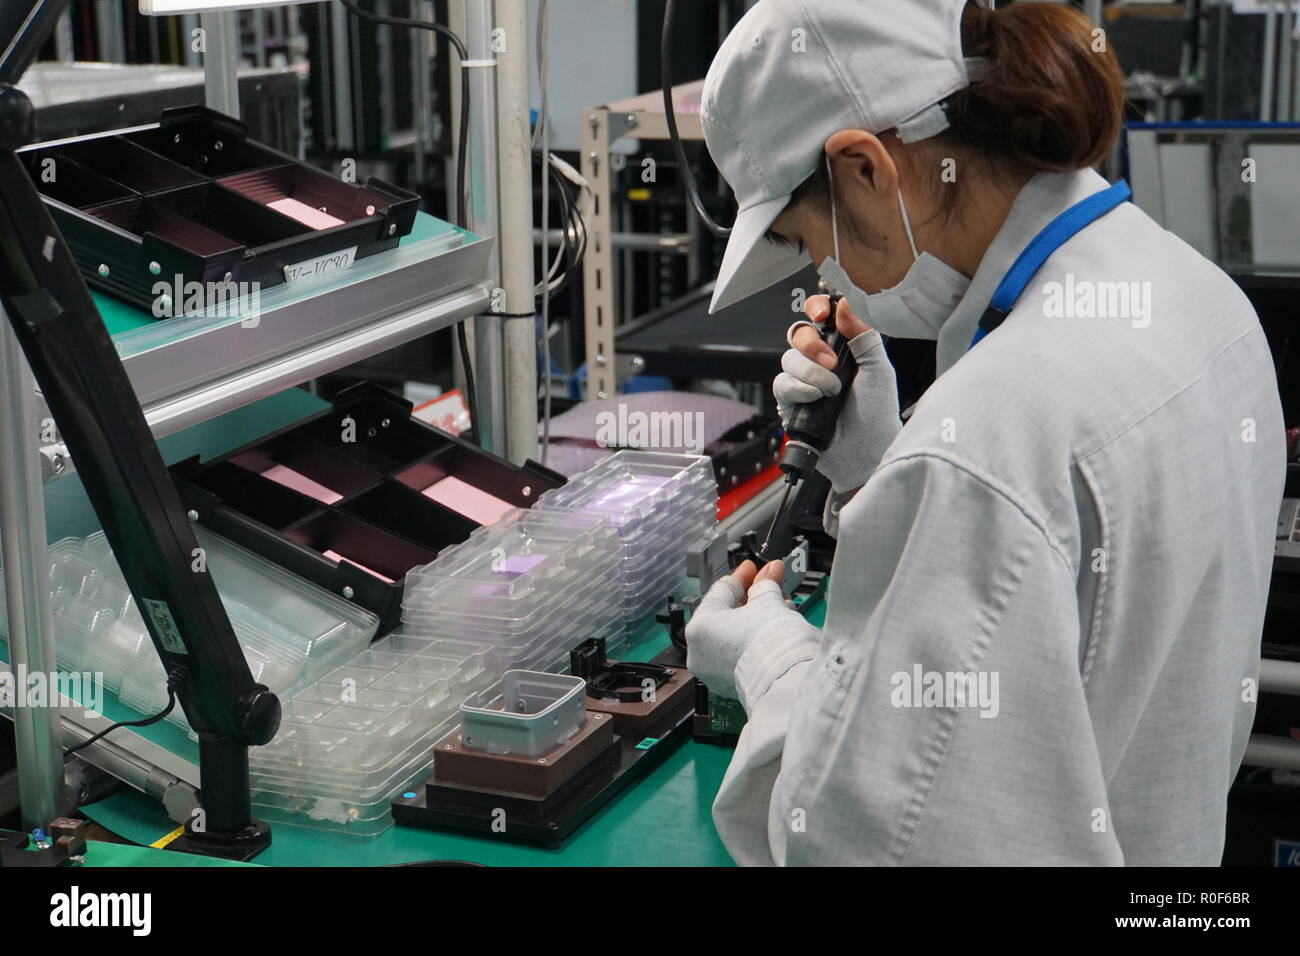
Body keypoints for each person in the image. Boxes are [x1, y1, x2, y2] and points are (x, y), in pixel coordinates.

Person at [683, 0, 1286, 865]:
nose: (824, 273)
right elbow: (1068, 632)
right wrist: (882, 476)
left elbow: (874, 841)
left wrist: (770, 658)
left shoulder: (984, 447)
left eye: (804, 238)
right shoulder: (1199, 296)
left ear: (864, 169)